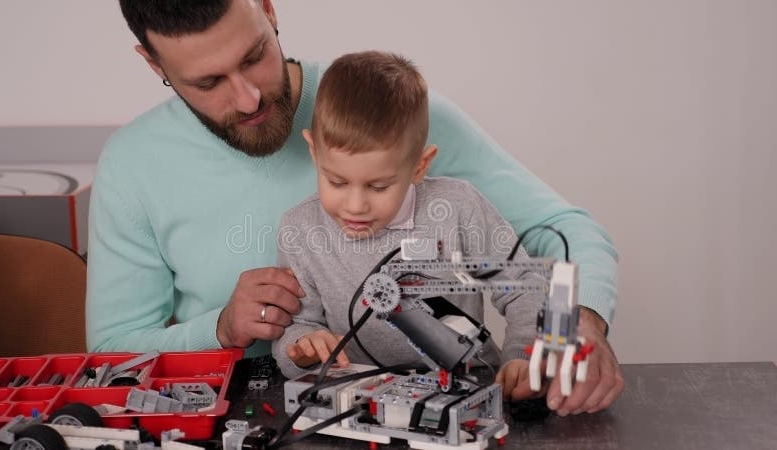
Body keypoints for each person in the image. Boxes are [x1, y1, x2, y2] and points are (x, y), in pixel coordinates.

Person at [89, 0, 622, 415]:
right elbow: (113, 354)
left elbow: (561, 231)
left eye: (255, 56)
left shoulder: (394, 114)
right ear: (152, 62)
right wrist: (221, 329)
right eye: (208, 82)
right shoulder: (132, 164)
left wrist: (580, 323)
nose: (249, 97)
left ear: (270, 11)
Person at [272, 51, 543, 390]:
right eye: (336, 182)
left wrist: (523, 354)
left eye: (378, 186)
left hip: (468, 391)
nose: (355, 206)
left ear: (419, 165)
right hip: (360, 404)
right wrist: (304, 347)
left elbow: (522, 286)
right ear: (314, 152)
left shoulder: (458, 207)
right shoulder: (299, 231)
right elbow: (294, 331)